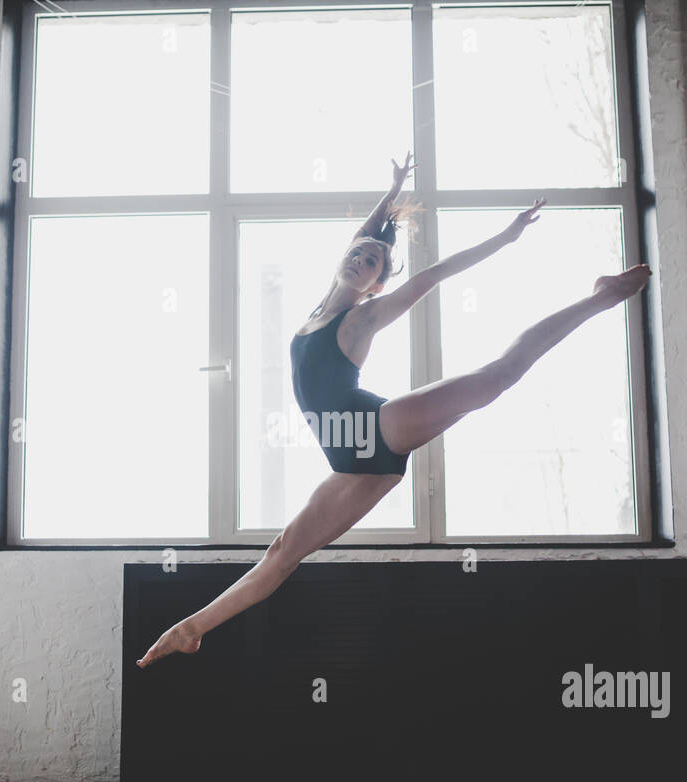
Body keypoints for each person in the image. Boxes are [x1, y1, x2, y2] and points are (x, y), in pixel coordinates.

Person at [137, 152, 650, 668]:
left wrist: (505, 238)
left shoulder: (366, 315)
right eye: (359, 254)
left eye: (373, 264)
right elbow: (366, 235)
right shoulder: (322, 308)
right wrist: (390, 195)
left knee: (496, 378)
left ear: (376, 283)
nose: (362, 260)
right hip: (352, 463)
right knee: (283, 553)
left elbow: (436, 275)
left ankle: (600, 298)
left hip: (373, 429)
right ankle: (190, 629)